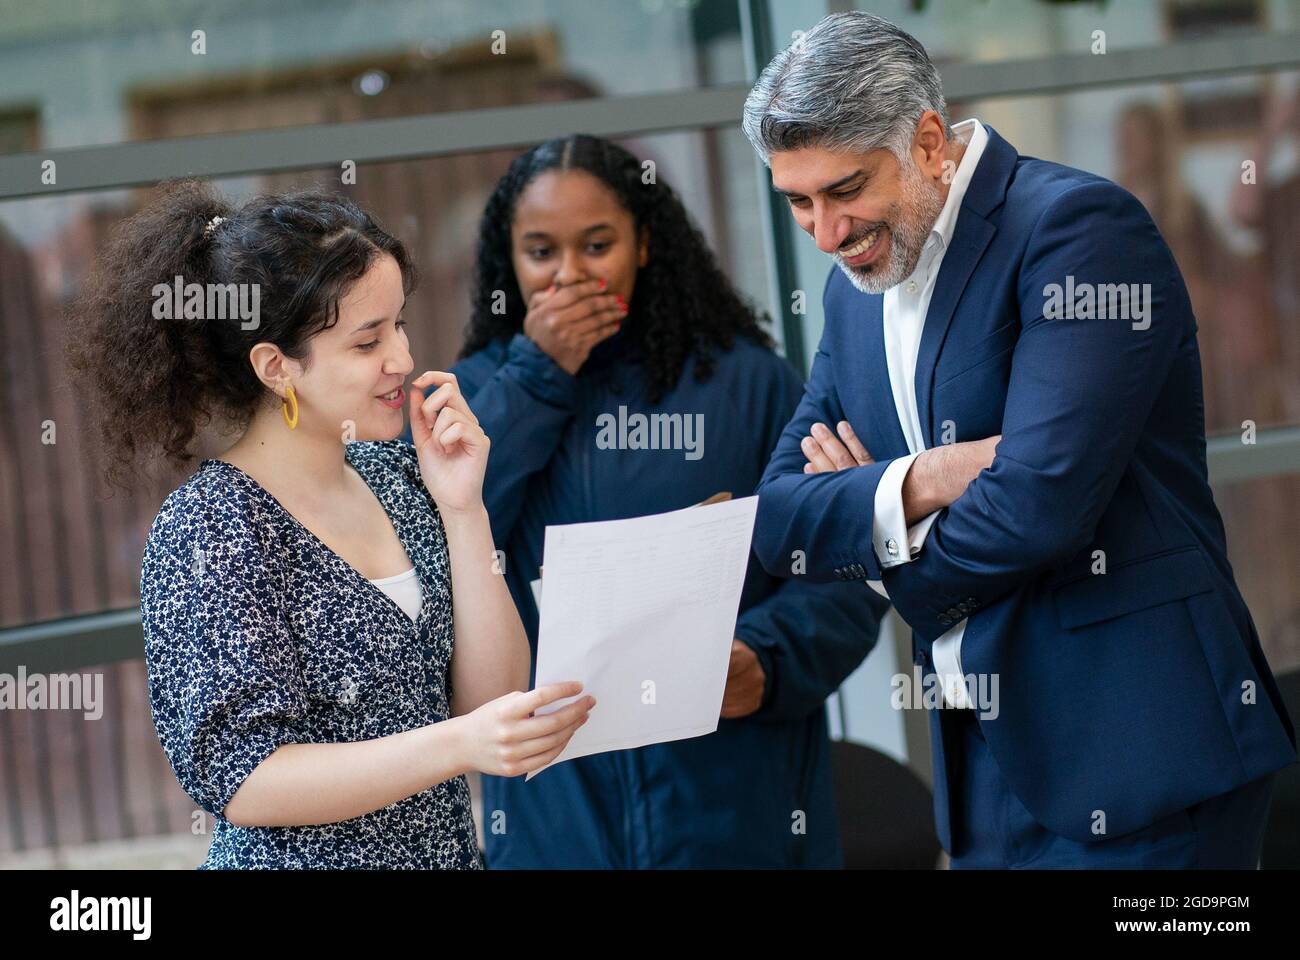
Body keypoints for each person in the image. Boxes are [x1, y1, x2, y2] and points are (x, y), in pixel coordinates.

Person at [743, 11, 1296, 868]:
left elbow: (1039, 506)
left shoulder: (1079, 232)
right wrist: (923, 480)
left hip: (1142, 757)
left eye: (845, 190)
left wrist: (875, 533)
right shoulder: (857, 284)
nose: (824, 232)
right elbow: (780, 515)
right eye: (799, 202)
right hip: (983, 772)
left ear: (929, 141)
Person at [67, 179, 594, 868]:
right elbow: (245, 779)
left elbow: (493, 699)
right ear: (276, 367)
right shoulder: (210, 529)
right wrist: (457, 744)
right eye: (366, 341)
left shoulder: (400, 477)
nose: (401, 360)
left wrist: (465, 508)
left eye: (398, 325)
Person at [404, 134, 887, 867]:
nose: (568, 276)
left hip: (736, 812)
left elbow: (843, 558)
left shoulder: (747, 383)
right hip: (555, 824)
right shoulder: (473, 402)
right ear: (511, 261)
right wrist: (539, 377)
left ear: (644, 245)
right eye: (541, 253)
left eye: (597, 245)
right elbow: (440, 556)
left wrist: (769, 655)